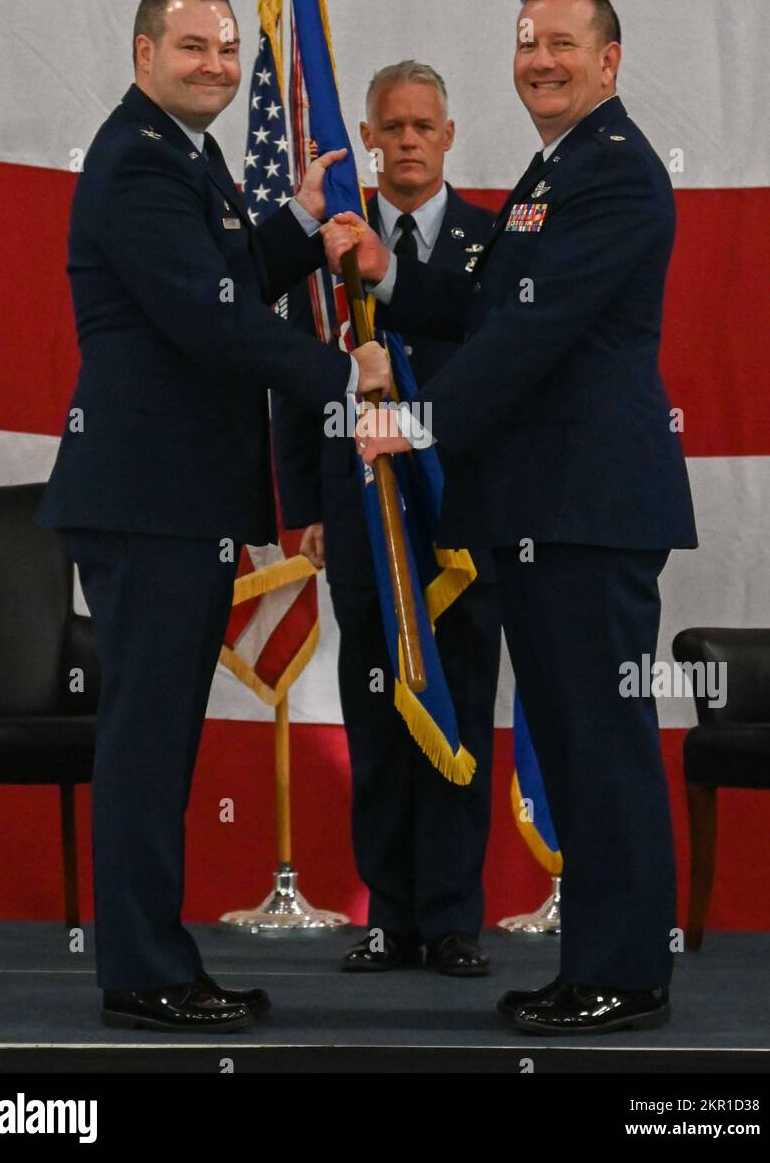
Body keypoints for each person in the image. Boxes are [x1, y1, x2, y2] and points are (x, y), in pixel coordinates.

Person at [322, 0, 698, 1035]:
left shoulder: (616, 174)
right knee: (577, 741)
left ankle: (624, 974)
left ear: (612, 60)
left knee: (602, 744)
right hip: (542, 506)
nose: (541, 59)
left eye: (565, 44)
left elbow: (535, 336)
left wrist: (419, 419)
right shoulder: (554, 172)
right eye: (528, 42)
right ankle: (599, 964)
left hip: (589, 506)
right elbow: (490, 302)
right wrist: (386, 273)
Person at [35, 0, 389, 1032]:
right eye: (194, 47)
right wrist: (343, 375)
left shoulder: (186, 155)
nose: (219, 67)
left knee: (160, 741)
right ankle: (143, 973)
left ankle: (154, 959)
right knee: (147, 744)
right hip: (150, 499)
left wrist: (294, 224)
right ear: (144, 53)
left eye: (230, 51)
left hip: (171, 498)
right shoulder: (139, 162)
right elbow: (209, 317)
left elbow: (228, 273)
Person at [273, 63, 502, 976]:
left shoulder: (493, 247)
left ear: (450, 135)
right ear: (366, 139)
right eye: (390, 128)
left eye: (423, 127)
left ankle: (451, 921)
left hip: (462, 525)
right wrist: (308, 508)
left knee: (459, 712)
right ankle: (389, 917)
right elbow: (296, 382)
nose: (406, 142)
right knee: (374, 718)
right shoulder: (333, 247)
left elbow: (507, 375)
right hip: (360, 515)